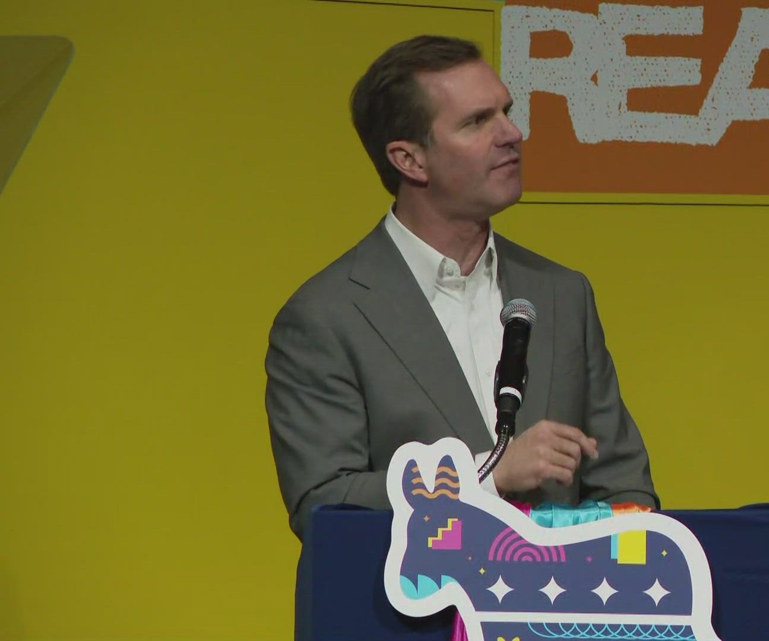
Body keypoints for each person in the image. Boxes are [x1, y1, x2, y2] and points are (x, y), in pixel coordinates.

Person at [265, 35, 658, 541]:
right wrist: (486, 477)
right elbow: (325, 503)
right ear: (410, 160)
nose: (512, 133)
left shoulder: (562, 293)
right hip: (408, 616)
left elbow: (624, 485)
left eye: (506, 112)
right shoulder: (326, 316)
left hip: (561, 613)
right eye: (477, 122)